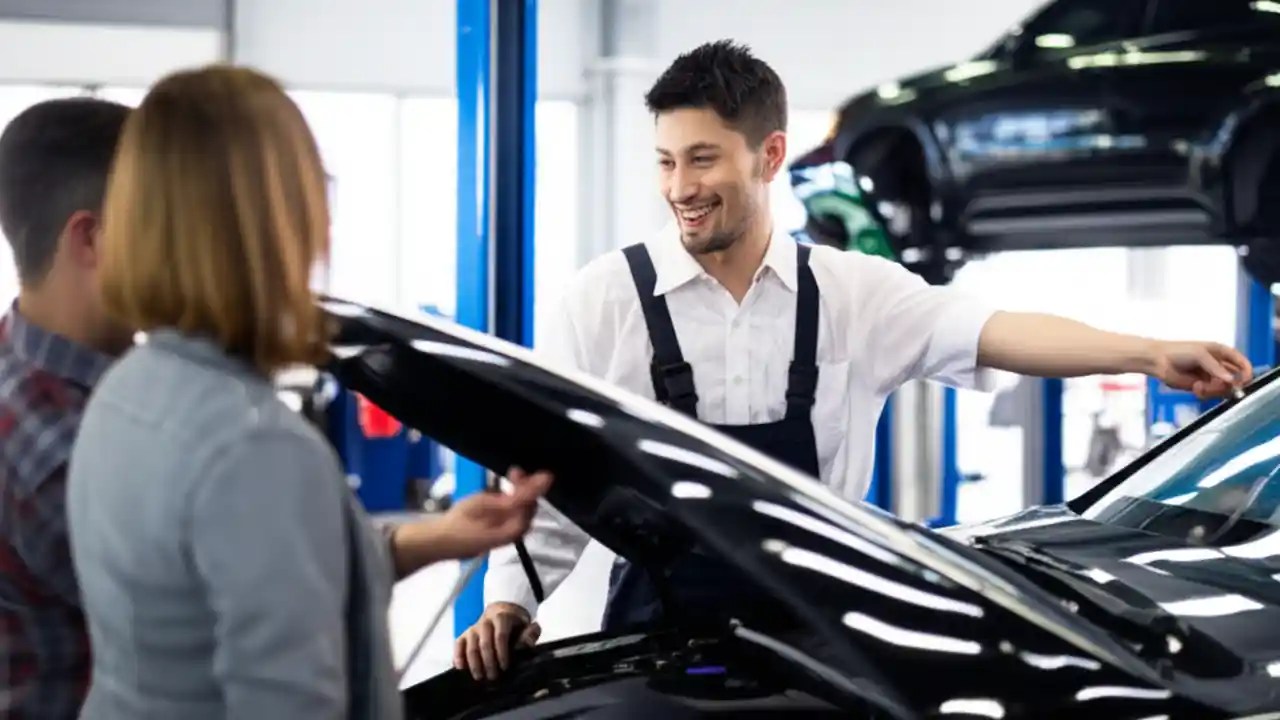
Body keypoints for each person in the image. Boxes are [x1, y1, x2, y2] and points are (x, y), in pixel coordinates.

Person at [453, 39, 1253, 680]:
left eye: (703, 159)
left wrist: (1147, 351)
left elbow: (992, 329)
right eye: (665, 161)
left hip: (827, 651)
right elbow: (548, 478)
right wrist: (511, 602)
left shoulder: (850, 293)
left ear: (770, 155)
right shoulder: (603, 301)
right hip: (647, 654)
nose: (679, 187)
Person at [63, 65, 552, 720]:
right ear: (278, 222)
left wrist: (439, 537)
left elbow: (234, 583)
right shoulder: (254, 444)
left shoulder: (124, 390)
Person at [0, 96, 134, 719]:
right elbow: (225, 605)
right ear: (91, 238)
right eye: (164, 221)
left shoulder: (18, 357)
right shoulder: (56, 443)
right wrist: (410, 545)